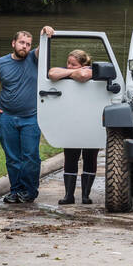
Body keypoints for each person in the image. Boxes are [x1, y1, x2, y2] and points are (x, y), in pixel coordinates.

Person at [0, 25, 54, 204]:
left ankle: (29, 191)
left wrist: (46, 32)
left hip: (30, 118)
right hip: (7, 117)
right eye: (21, 43)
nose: (24, 46)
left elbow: (43, 49)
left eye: (28, 43)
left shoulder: (34, 58)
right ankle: (15, 191)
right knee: (12, 158)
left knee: (31, 157)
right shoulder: (0, 63)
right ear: (13, 43)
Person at [48, 49, 97, 205]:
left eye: (73, 64)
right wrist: (71, 72)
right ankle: (69, 195)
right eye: (68, 63)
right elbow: (51, 73)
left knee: (90, 157)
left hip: (91, 121)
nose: (69, 66)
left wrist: (71, 73)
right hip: (72, 120)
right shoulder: (70, 72)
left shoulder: (91, 71)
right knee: (70, 157)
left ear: (84, 64)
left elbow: (83, 76)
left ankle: (85, 196)